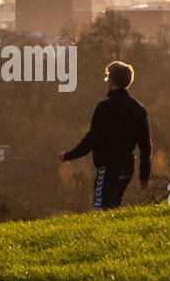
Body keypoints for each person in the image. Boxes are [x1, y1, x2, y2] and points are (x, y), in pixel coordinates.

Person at [57, 60, 152, 211]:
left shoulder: (104, 108)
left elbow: (91, 140)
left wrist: (68, 155)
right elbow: (145, 145)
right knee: (115, 207)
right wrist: (144, 174)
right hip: (127, 167)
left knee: (102, 209)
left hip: (109, 167)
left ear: (112, 80)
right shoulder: (138, 109)